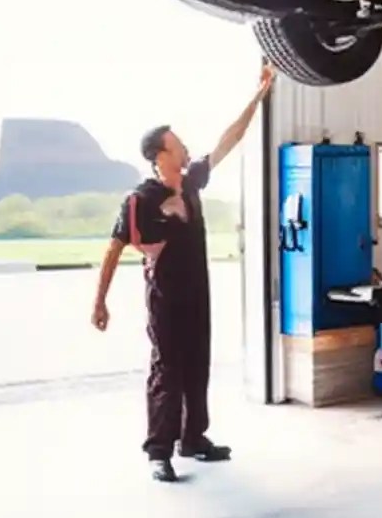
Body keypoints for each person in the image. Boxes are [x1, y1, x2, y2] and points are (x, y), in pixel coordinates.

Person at [91, 64, 275, 482]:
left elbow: (230, 140)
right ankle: (159, 450)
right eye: (178, 146)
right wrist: (99, 300)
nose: (187, 149)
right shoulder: (142, 199)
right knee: (167, 371)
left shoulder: (191, 182)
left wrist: (258, 95)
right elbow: (115, 246)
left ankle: (193, 438)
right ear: (160, 156)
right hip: (166, 303)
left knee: (198, 367)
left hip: (198, 296)